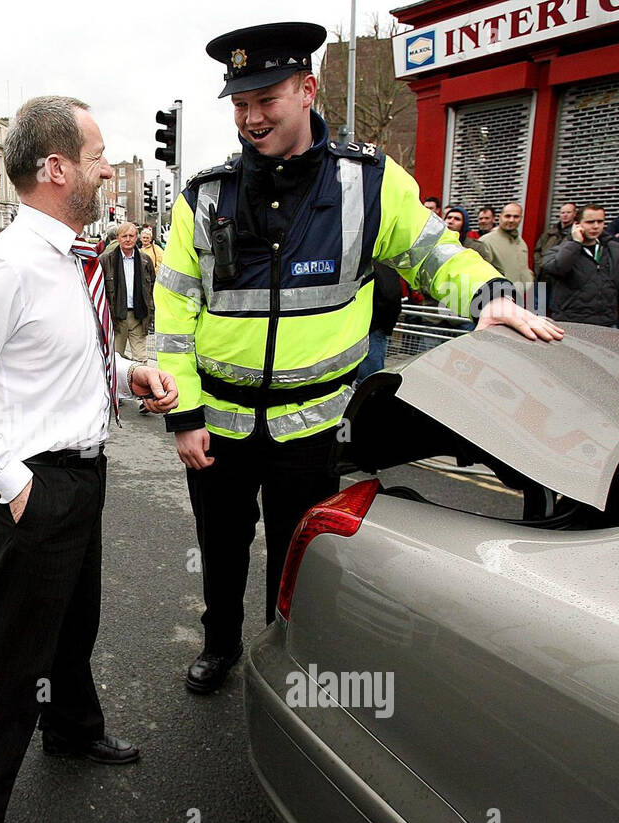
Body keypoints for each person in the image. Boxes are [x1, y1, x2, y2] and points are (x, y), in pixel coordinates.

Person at [153, 22, 562, 694]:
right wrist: (184, 413)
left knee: (300, 557)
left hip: (312, 426)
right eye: (238, 102)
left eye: (266, 98)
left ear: (308, 88)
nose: (250, 118)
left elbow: (435, 252)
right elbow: (174, 313)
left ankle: (283, 655)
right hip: (219, 423)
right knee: (220, 548)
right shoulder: (205, 195)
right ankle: (220, 642)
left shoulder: (367, 182)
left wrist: (489, 294)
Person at [0, 95, 178, 823]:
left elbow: (67, 367)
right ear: (57, 167)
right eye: (97, 154)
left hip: (83, 470)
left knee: (76, 621)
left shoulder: (70, 257)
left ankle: (71, 730)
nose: (106, 166)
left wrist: (132, 375)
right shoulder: (5, 267)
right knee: (13, 660)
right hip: (35, 484)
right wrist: (15, 487)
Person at [542, 203, 619, 333]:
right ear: (577, 224)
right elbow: (556, 268)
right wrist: (575, 244)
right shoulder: (560, 249)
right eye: (590, 222)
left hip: (606, 323)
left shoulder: (615, 249)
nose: (596, 226)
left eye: (600, 221)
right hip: (570, 323)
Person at [99, 221, 154, 368]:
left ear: (136, 237)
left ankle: (141, 389)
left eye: (131, 235)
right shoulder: (106, 260)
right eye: (124, 236)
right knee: (116, 359)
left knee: (141, 359)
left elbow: (152, 289)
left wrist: (151, 314)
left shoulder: (145, 260)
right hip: (116, 317)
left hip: (139, 315)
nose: (128, 239)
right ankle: (117, 390)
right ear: (118, 238)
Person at [354, 262, 403, 383]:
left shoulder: (375, 268)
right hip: (374, 325)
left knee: (369, 374)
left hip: (370, 325)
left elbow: (391, 296)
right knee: (370, 373)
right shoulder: (387, 269)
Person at [479, 203, 534, 286]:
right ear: (500, 217)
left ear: (521, 218)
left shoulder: (521, 242)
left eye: (516, 217)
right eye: (507, 216)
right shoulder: (487, 241)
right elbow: (480, 273)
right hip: (498, 295)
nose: (511, 220)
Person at [533, 202, 577, 277]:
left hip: (560, 280)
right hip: (541, 276)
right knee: (537, 289)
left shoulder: (576, 234)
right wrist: (539, 266)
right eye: (562, 212)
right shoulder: (549, 233)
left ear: (574, 214)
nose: (565, 215)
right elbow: (537, 250)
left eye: (568, 212)